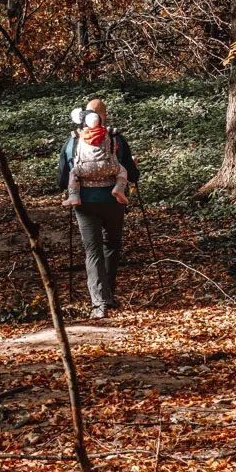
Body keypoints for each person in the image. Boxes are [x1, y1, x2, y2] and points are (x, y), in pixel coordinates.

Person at [57, 98, 139, 319]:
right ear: (105, 115)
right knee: (111, 246)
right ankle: (109, 295)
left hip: (84, 203)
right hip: (114, 201)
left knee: (92, 251)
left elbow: (62, 177)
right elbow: (133, 175)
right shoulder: (115, 137)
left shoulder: (73, 140)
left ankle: (99, 304)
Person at [63, 107, 130, 207]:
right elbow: (115, 149)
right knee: (122, 171)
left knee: (73, 173)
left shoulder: (77, 137)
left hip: (84, 180)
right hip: (109, 172)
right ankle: (118, 189)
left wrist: (62, 185)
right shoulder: (110, 134)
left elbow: (64, 168)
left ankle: (74, 196)